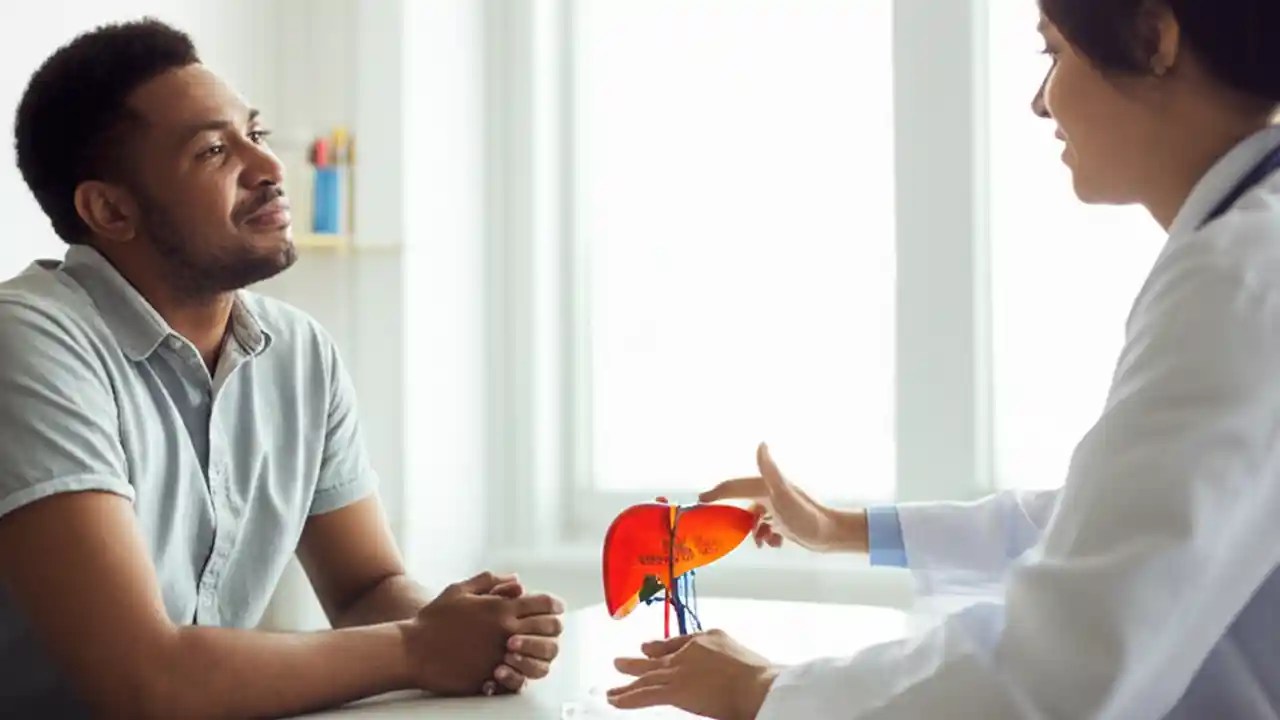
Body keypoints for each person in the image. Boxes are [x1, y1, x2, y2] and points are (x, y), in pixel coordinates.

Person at [608, 1, 1280, 717]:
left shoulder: (1236, 281)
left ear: (1154, 39)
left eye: (1052, 54)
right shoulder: (1246, 257)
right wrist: (843, 530)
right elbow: (1112, 520)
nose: (1037, 102)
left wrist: (768, 690)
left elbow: (1061, 668)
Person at [0, 19, 563, 718]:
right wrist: (418, 647)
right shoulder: (27, 341)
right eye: (213, 151)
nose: (268, 169)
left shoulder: (299, 353)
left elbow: (366, 589)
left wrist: (476, 636)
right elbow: (143, 681)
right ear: (110, 209)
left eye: (255, 134)